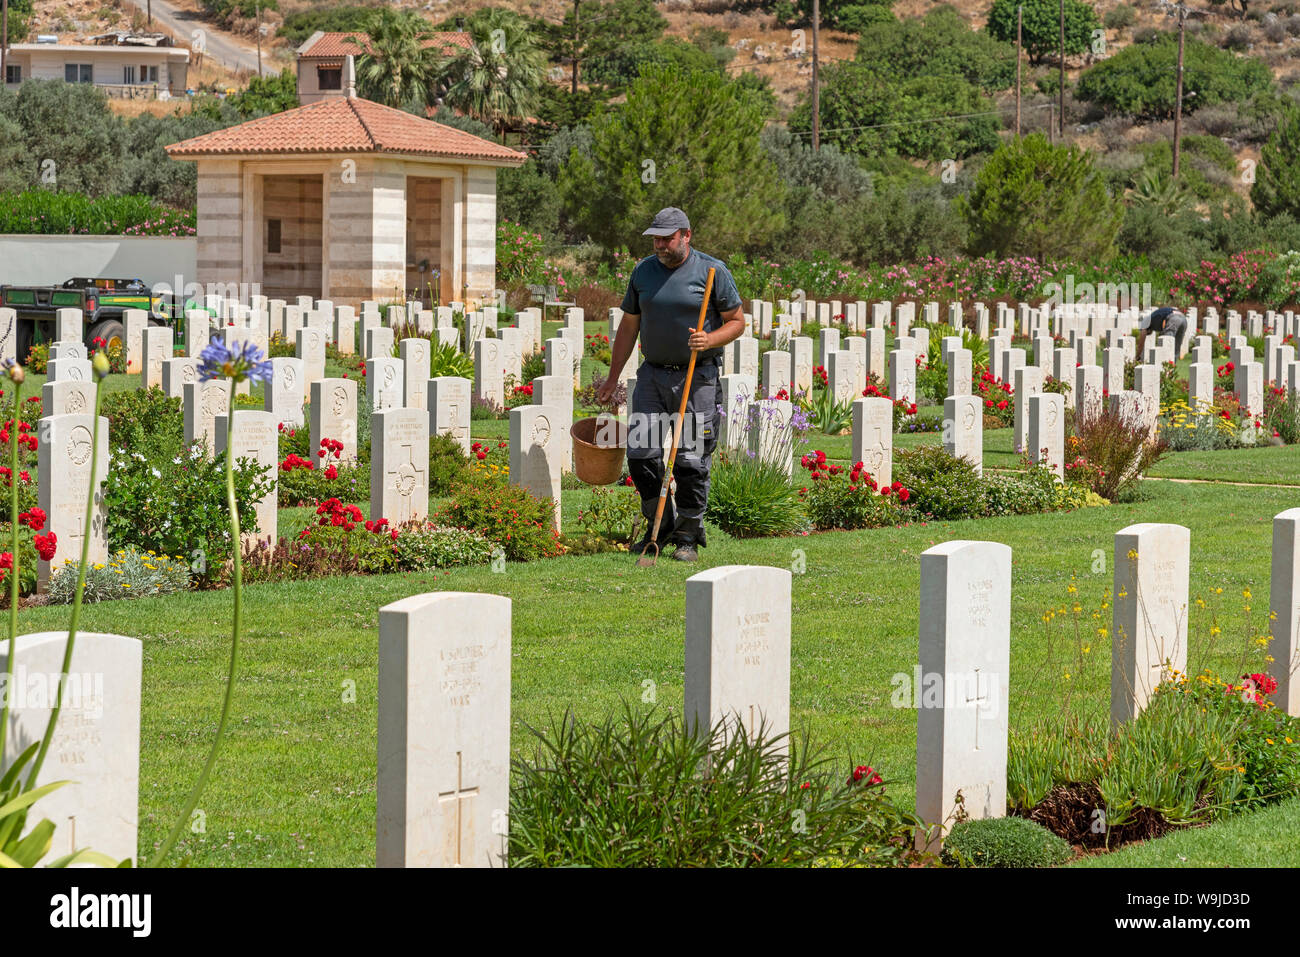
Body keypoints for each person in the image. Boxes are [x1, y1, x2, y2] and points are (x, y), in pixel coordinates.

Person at [596, 207, 747, 562]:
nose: (660, 245)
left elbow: (737, 321)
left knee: (690, 461)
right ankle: (660, 524)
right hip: (652, 375)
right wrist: (613, 377)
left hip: (696, 378)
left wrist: (710, 339)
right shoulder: (643, 272)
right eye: (656, 239)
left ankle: (688, 537)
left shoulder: (712, 271)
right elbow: (629, 327)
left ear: (686, 236)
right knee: (641, 455)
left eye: (667, 238)